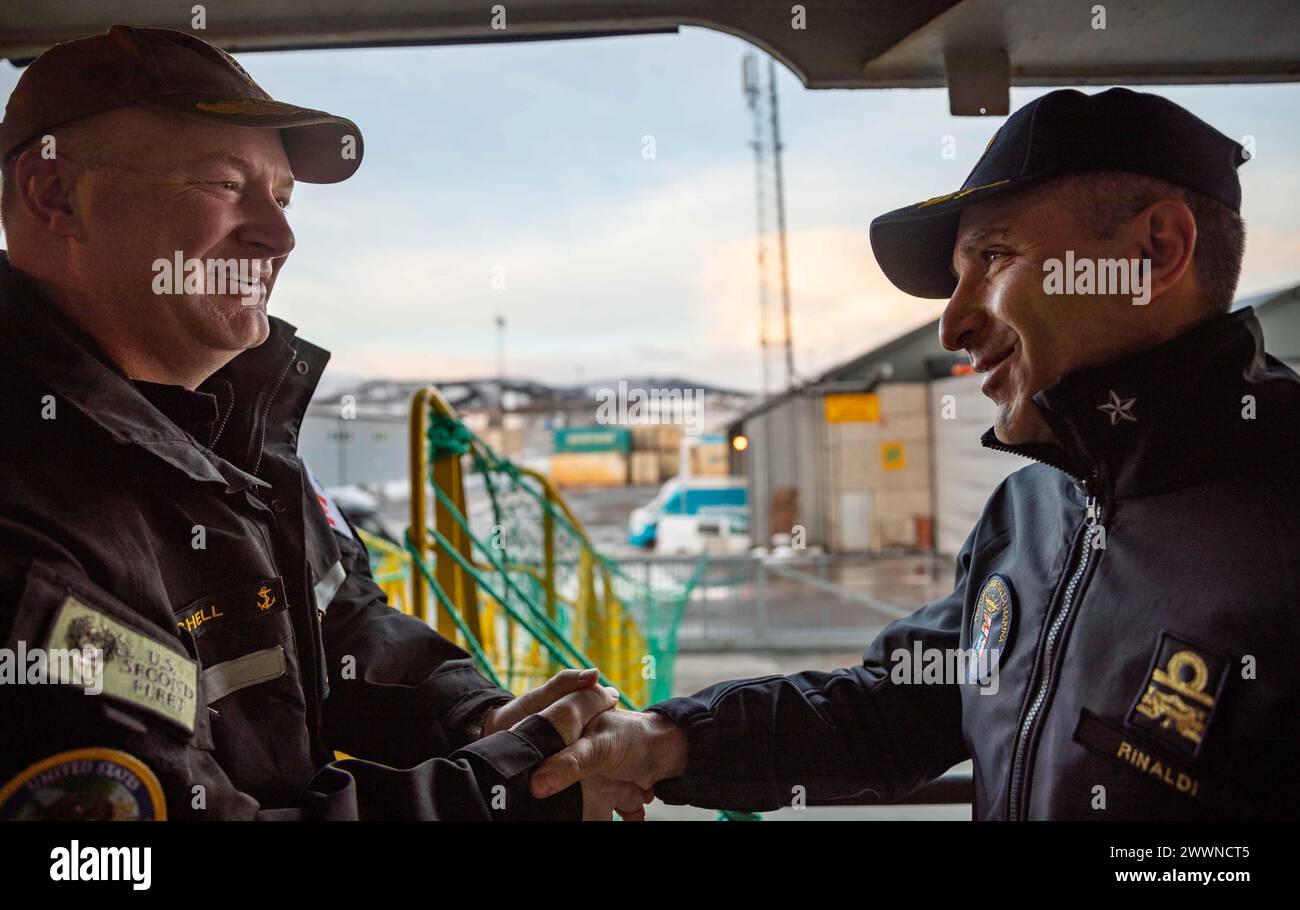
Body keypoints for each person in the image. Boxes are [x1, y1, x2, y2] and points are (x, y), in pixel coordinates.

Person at [530, 88, 1300, 820]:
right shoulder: (1033, 509)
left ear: (1152, 252)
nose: (953, 324)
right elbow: (901, 706)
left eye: (993, 258)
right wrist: (669, 742)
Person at [0, 24, 647, 821]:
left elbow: (338, 619)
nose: (280, 236)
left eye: (279, 197)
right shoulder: (25, 503)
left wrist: (475, 717)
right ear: (54, 193)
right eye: (224, 184)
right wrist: (503, 793)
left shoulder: (228, 428)